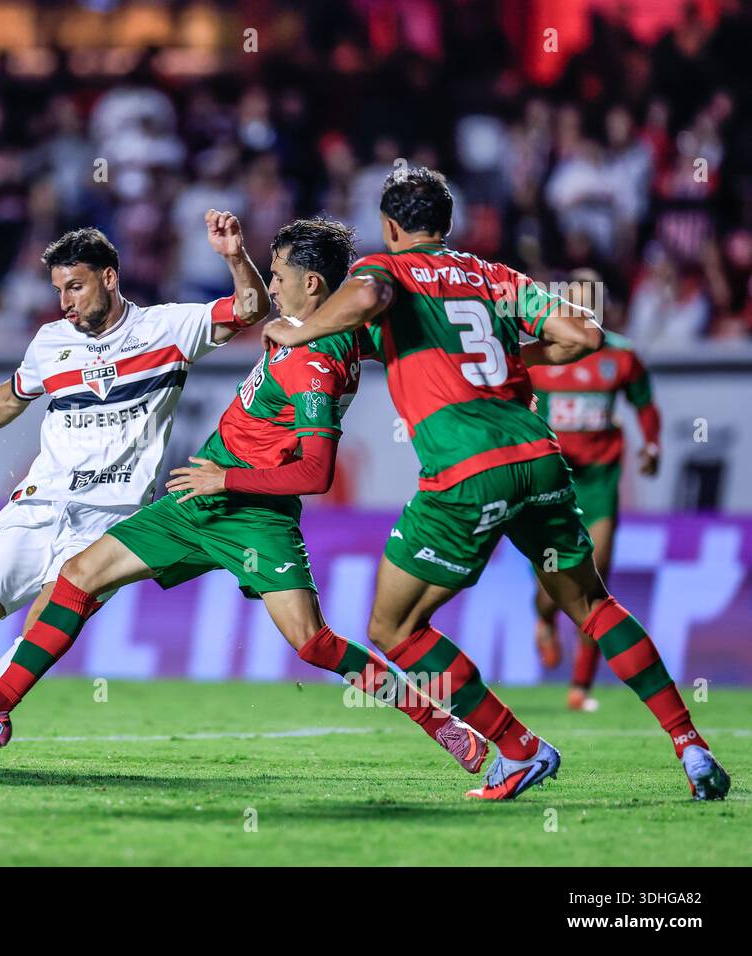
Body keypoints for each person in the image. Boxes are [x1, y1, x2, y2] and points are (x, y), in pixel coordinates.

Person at [0, 218, 491, 778]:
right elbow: (374, 327)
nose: (274, 283)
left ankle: (440, 720)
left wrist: (226, 481)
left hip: (249, 509)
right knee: (79, 575)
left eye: (279, 272)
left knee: (314, 644)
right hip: (198, 501)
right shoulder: (315, 332)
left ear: (311, 285)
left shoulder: (314, 361)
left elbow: (316, 473)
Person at [260, 167, 728, 801]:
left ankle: (519, 747)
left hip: (466, 469)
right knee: (592, 605)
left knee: (392, 630)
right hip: (539, 457)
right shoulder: (496, 276)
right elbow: (584, 335)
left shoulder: (387, 271)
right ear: (447, 224)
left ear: (391, 227)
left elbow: (366, 300)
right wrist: (514, 359)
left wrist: (298, 328)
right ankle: (690, 745)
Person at [0, 215, 270, 767]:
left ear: (110, 276)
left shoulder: (168, 328)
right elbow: (12, 397)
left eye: (74, 287)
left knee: (43, 625)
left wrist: (233, 256)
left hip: (110, 523)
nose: (65, 303)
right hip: (38, 506)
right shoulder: (51, 342)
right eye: (58, 290)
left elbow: (250, 309)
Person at [527, 272, 660, 711]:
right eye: (573, 304)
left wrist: (652, 445)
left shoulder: (619, 356)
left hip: (600, 482)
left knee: (595, 579)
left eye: (589, 304)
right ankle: (543, 620)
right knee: (554, 590)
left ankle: (580, 687)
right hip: (553, 482)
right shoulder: (544, 355)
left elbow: (644, 404)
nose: (582, 313)